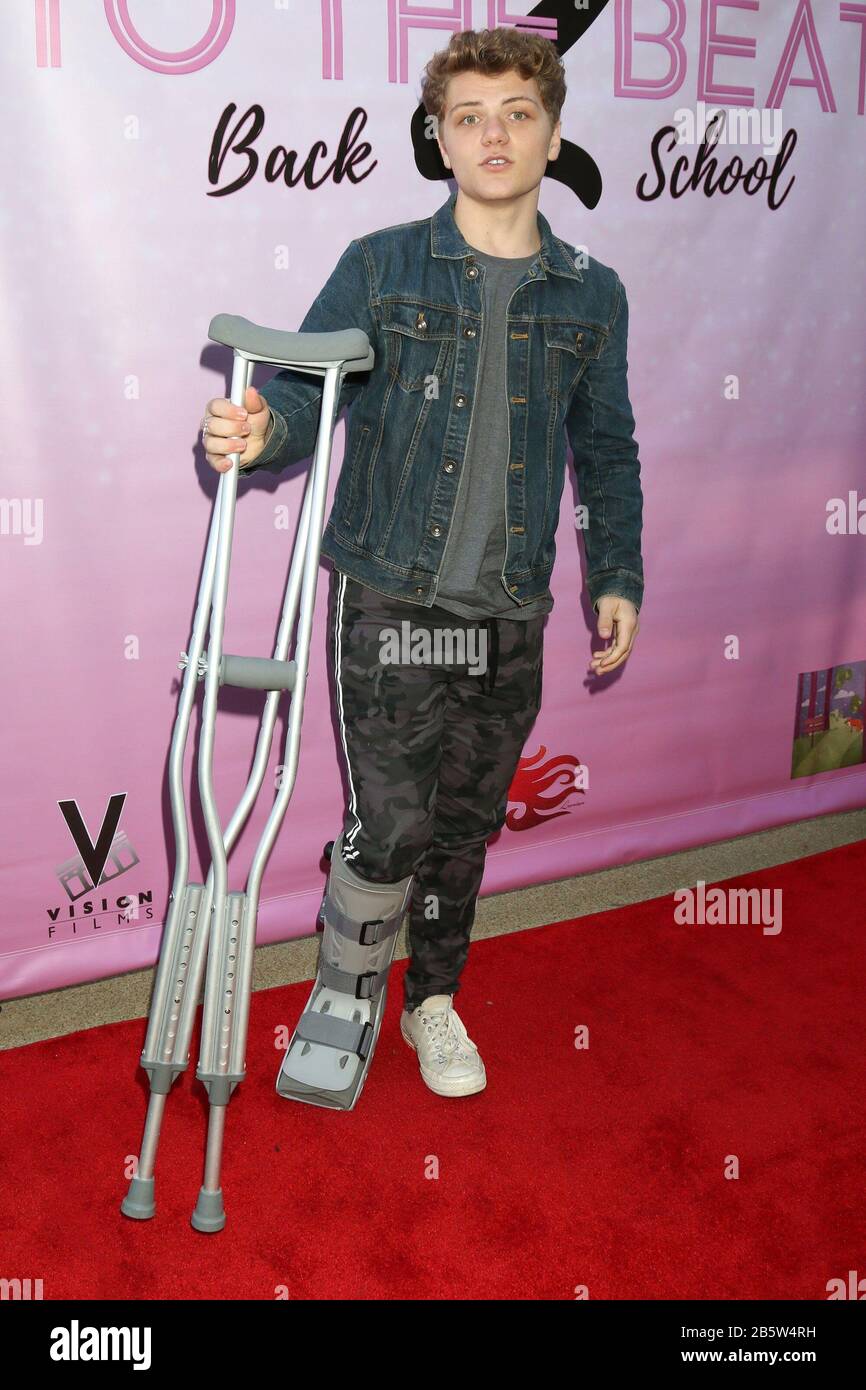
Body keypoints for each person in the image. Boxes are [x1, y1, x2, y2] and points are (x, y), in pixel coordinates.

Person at [200, 26, 644, 1099]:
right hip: (392, 589)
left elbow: (607, 445)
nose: (494, 134)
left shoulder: (593, 293)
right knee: (389, 821)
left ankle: (431, 999)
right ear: (439, 139)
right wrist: (264, 432)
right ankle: (346, 991)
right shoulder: (382, 265)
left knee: (463, 821)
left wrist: (616, 571)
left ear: (550, 133)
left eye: (517, 114)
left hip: (509, 604)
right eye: (469, 117)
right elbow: (309, 387)